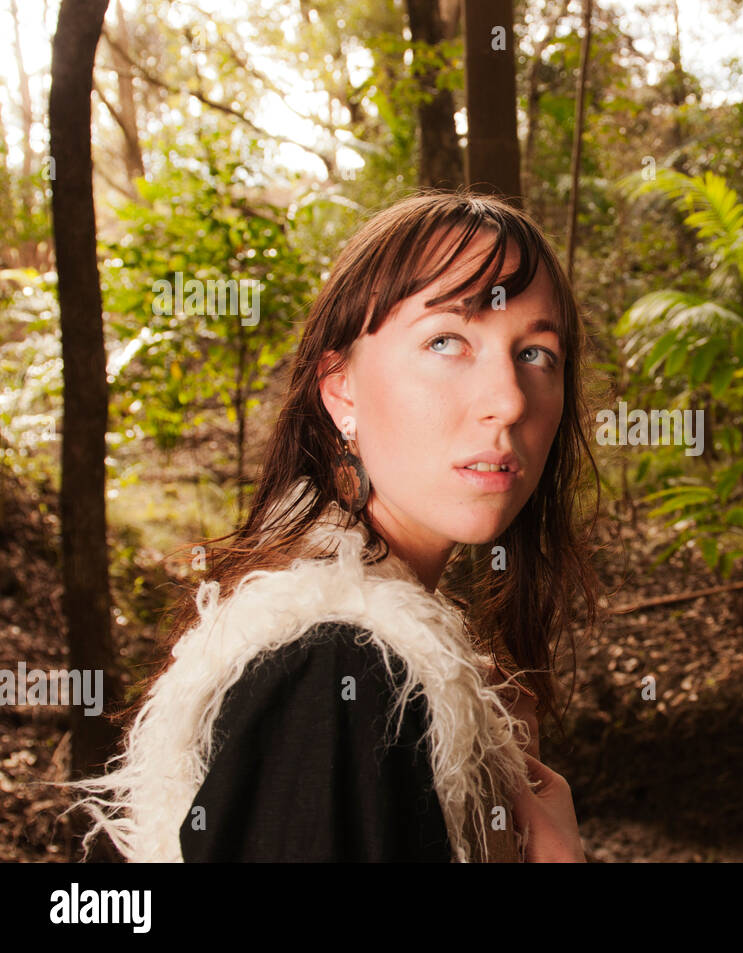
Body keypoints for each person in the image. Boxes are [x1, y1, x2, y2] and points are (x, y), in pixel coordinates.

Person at [69, 191, 601, 862]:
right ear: (341, 388)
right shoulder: (336, 669)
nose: (508, 399)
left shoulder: (406, 658)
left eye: (536, 355)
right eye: (448, 341)